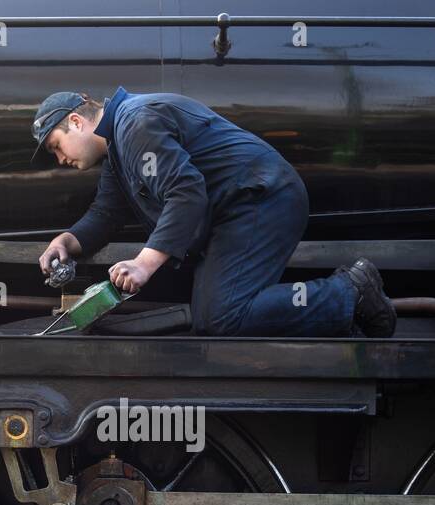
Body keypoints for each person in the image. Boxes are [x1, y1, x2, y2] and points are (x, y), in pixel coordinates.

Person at [31, 88, 396, 338]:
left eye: (56, 146)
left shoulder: (135, 123)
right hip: (237, 210)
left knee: (221, 316)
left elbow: (185, 193)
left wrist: (144, 263)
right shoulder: (118, 149)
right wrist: (66, 241)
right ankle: (338, 307)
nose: (60, 160)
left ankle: (350, 292)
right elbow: (105, 214)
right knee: (212, 316)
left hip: (260, 198)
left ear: (76, 122)